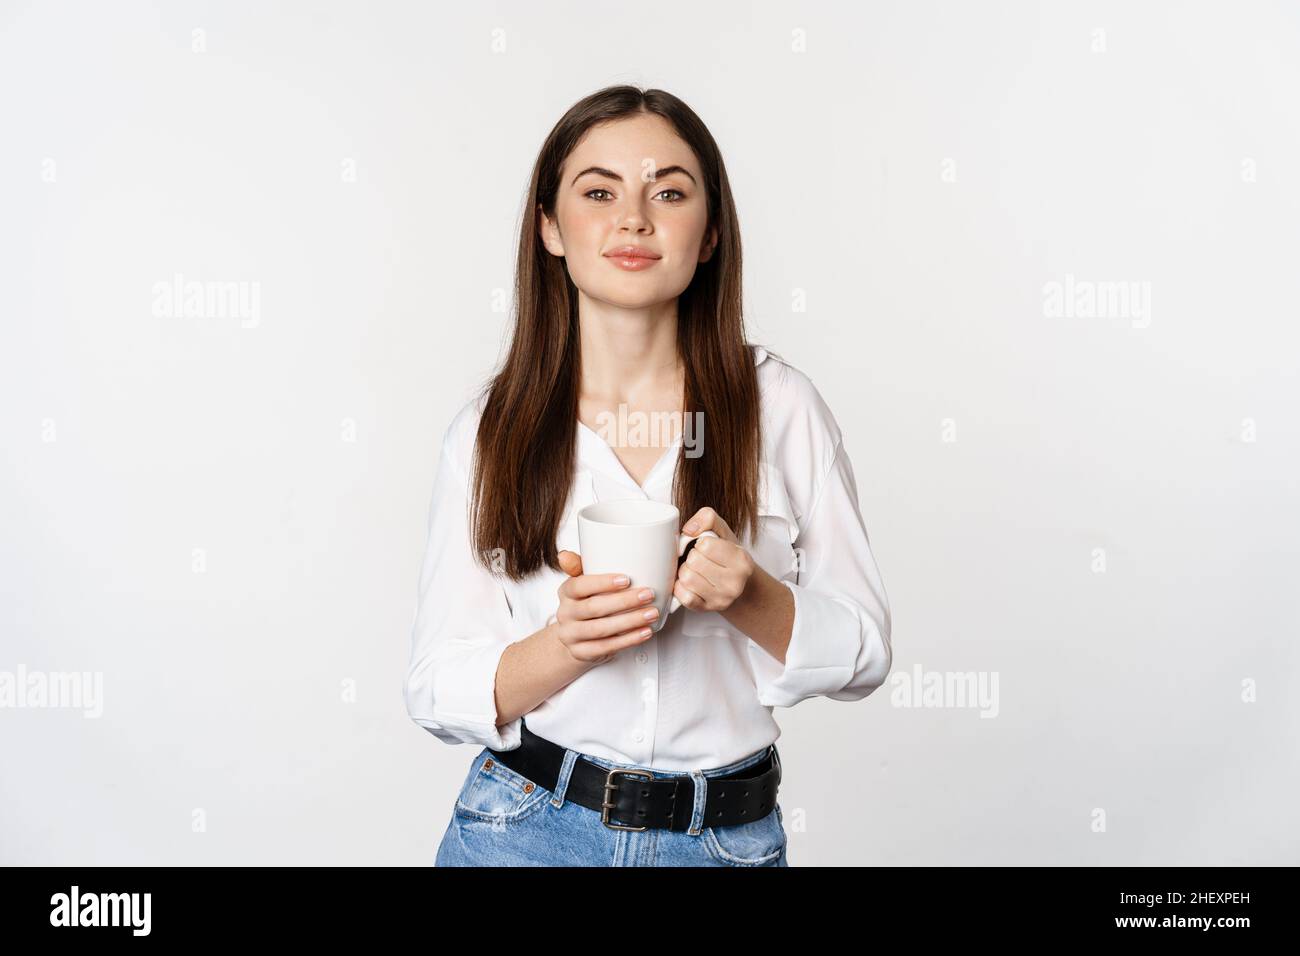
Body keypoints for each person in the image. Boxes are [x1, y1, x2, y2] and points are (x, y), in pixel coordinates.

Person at [403, 85, 892, 866]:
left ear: (709, 237)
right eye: (599, 192)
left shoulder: (782, 406)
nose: (634, 219)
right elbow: (435, 687)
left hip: (723, 841)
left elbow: (865, 655)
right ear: (550, 229)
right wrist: (567, 643)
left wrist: (751, 595)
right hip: (521, 832)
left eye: (669, 191)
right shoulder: (489, 433)